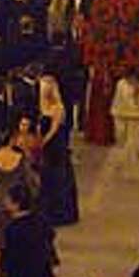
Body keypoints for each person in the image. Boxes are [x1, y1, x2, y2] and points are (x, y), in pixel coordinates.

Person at [0, 133, 40, 249]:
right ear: (11, 140)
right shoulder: (21, 159)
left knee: (0, 241)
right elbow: (30, 181)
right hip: (18, 205)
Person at [39, 75, 79, 226]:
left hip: (56, 145)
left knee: (58, 177)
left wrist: (42, 142)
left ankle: (61, 213)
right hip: (46, 145)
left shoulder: (58, 107)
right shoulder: (42, 106)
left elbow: (54, 129)